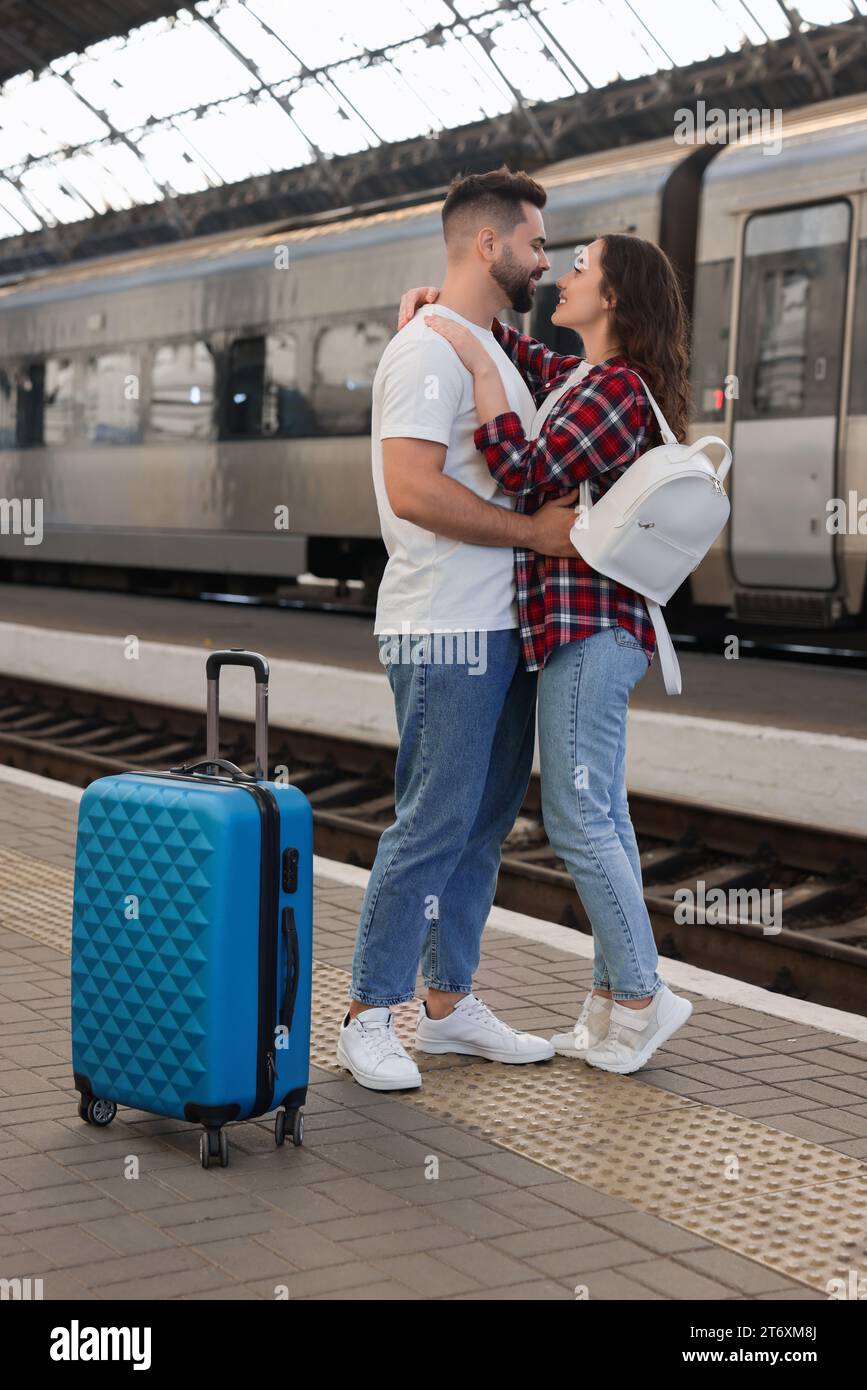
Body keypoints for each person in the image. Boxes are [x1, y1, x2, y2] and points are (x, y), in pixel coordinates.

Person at [399, 232, 694, 1074]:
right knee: (605, 813)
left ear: (613, 296)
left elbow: (526, 469)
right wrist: (456, 317)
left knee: (574, 816)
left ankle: (642, 995)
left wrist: (480, 371)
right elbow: (525, 352)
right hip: (586, 632)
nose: (561, 275)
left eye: (579, 266)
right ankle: (609, 1003)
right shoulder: (583, 377)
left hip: (591, 630)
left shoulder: (610, 389)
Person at [337, 168, 581, 1091]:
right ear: (490, 245)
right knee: (431, 823)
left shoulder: (481, 341)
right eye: (535, 243)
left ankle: (445, 1003)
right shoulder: (426, 352)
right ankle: (367, 1012)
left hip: (498, 626)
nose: (545, 261)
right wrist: (531, 534)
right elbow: (411, 489)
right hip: (442, 628)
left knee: (481, 826)